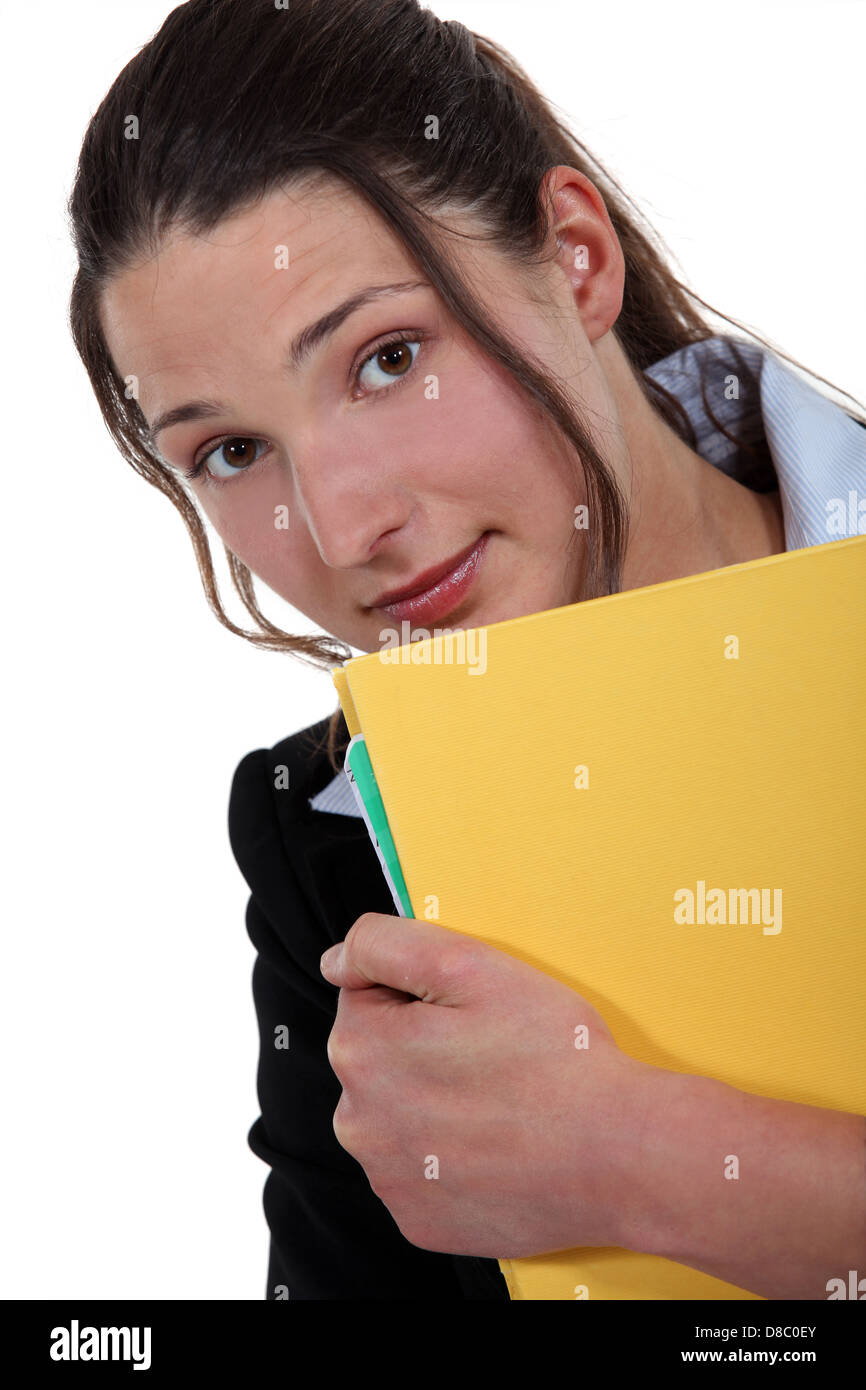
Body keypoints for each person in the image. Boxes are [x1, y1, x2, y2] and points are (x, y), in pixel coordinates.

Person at [67, 0, 866, 1299]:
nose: (342, 523)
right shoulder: (319, 836)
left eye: (386, 359)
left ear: (574, 253)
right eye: (231, 450)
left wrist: (646, 1161)